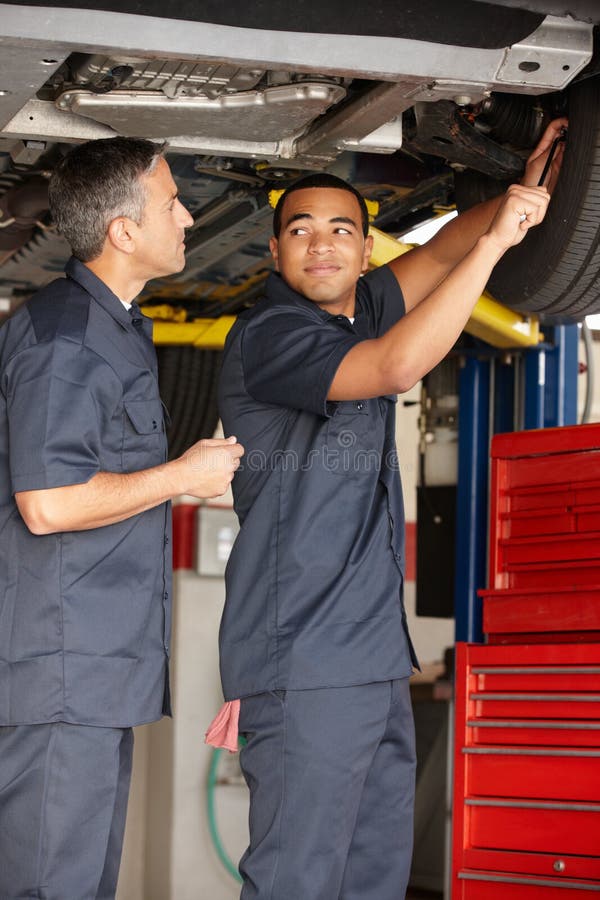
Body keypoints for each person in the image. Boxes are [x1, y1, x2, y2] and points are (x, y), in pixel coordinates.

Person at [212, 118, 566, 899]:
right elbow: (399, 363)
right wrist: (499, 243)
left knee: (373, 880)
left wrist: (527, 193)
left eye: (342, 229)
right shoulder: (271, 334)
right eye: (299, 231)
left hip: (371, 663)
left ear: (367, 250)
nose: (322, 244)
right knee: (298, 883)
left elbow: (439, 251)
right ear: (275, 254)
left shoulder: (359, 307)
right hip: (303, 664)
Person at [0, 136, 243, 900]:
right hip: (61, 680)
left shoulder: (118, 332)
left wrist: (177, 480)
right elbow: (47, 504)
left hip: (95, 677)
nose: (188, 214)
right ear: (123, 230)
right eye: (172, 200)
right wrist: (178, 476)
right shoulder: (66, 339)